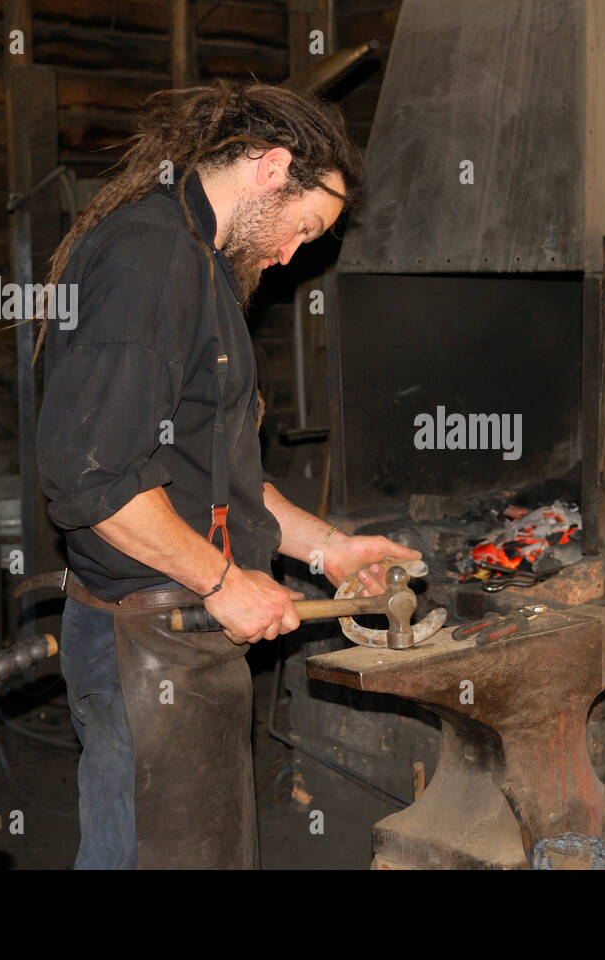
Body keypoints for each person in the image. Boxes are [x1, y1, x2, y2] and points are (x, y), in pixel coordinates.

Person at [35, 80, 419, 869]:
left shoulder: (200, 262)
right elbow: (91, 480)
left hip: (181, 632)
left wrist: (329, 550)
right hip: (142, 637)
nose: (288, 256)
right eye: (302, 230)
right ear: (273, 167)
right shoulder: (153, 258)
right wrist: (222, 582)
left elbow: (217, 476)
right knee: (139, 856)